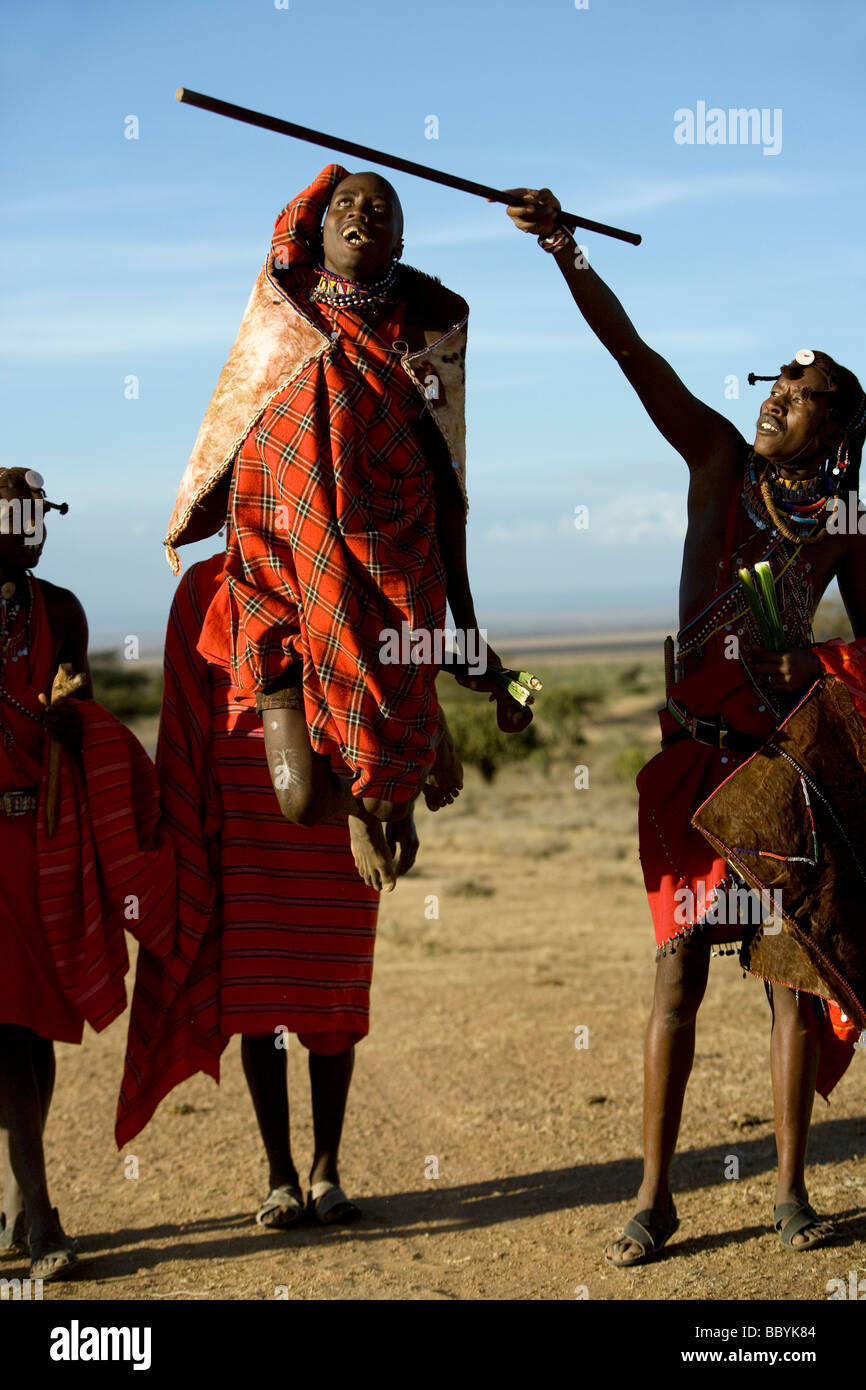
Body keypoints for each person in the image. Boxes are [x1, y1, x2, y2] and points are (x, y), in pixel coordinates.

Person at [505, 190, 866, 1262]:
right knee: (676, 976)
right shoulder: (715, 462)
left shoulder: (843, 524)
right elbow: (632, 352)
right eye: (775, 386)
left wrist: (802, 663)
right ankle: (653, 1196)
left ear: (839, 431)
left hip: (776, 774)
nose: (775, 404)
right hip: (689, 769)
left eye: (802, 398)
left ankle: (789, 1192)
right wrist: (567, 252)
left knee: (786, 986)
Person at [164, 164, 533, 894]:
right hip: (281, 579)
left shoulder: (424, 347)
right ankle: (375, 797)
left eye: (380, 208)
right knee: (301, 800)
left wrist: (472, 634)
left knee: (385, 768)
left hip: (393, 584)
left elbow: (447, 493)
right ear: (319, 225)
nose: (360, 213)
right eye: (343, 204)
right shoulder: (283, 318)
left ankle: (409, 751)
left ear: (400, 240)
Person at [117, 553, 410, 1225]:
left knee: (334, 1004)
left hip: (339, 804)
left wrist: (385, 801)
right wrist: (194, 822)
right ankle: (281, 1177)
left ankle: (327, 1171)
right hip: (244, 819)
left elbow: (381, 683)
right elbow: (185, 708)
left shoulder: (346, 566)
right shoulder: (202, 587)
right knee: (261, 1004)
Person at [0, 467, 174, 1280]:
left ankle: (14, 1205)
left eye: (41, 516)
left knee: (33, 1034)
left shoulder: (59, 609)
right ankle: (40, 1222)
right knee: (5, 1036)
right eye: (18, 516)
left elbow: (86, 714)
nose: (34, 529)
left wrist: (69, 721)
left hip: (42, 837)